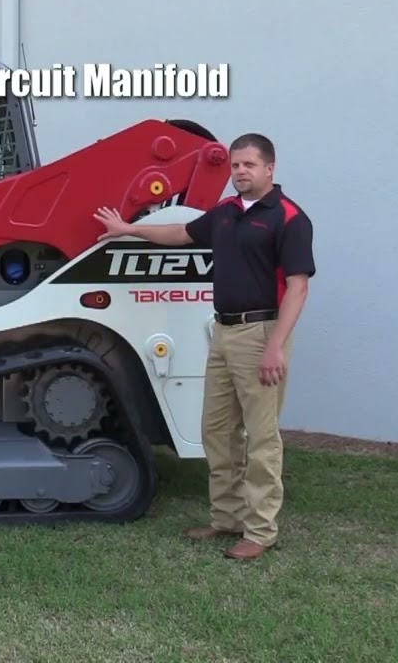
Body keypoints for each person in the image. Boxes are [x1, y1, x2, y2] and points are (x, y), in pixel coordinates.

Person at [93, 133, 315, 560]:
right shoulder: (226, 213)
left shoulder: (289, 218)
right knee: (217, 431)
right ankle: (226, 518)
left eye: (249, 165)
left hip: (261, 334)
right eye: (235, 165)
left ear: (270, 168)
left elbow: (298, 288)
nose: (240, 172)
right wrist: (128, 229)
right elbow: (180, 232)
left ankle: (260, 530)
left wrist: (276, 347)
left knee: (261, 438)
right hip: (223, 333)